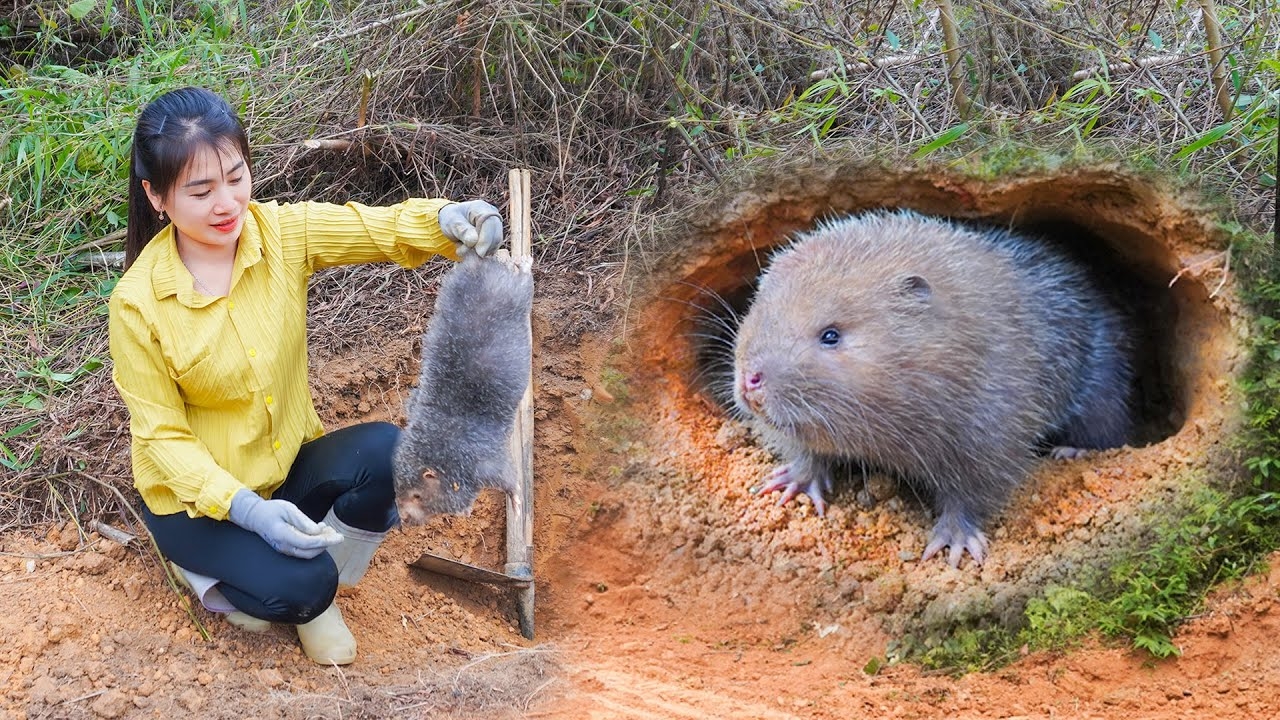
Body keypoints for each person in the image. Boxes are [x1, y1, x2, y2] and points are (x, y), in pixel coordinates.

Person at [108, 86, 505, 665]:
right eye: (201, 190)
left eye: (236, 177)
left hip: (283, 468)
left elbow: (373, 230)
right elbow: (160, 439)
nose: (227, 204)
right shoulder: (139, 303)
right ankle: (248, 578)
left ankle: (319, 571)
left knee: (387, 454)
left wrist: (447, 220)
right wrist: (248, 510)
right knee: (300, 590)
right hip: (198, 503)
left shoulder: (278, 236)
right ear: (156, 195)